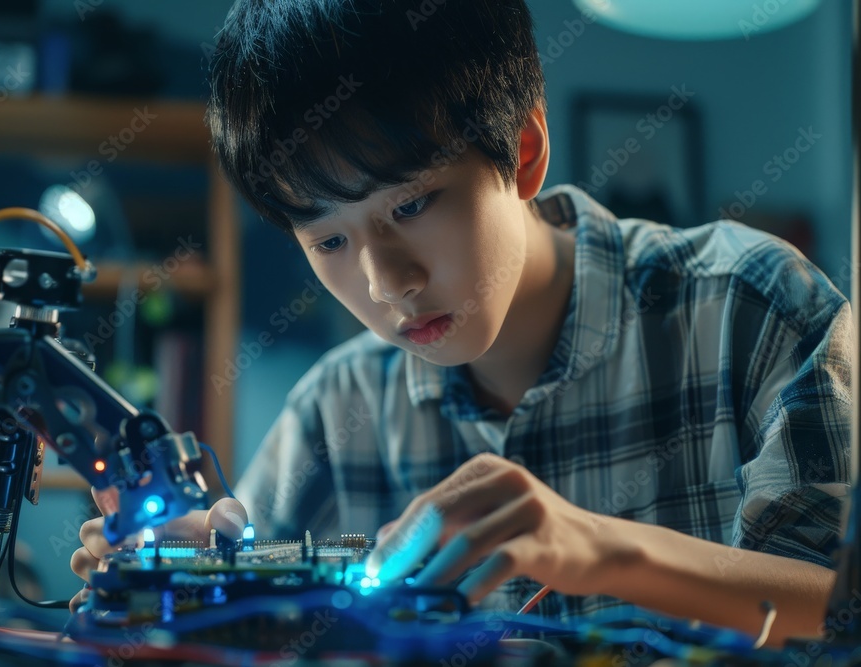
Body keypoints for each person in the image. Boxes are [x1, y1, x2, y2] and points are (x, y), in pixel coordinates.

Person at [70, 0, 852, 646]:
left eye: (411, 205)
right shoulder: (332, 412)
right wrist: (189, 588)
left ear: (524, 150)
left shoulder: (750, 305)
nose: (387, 283)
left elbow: (838, 615)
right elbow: (269, 603)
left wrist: (600, 551)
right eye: (329, 240)